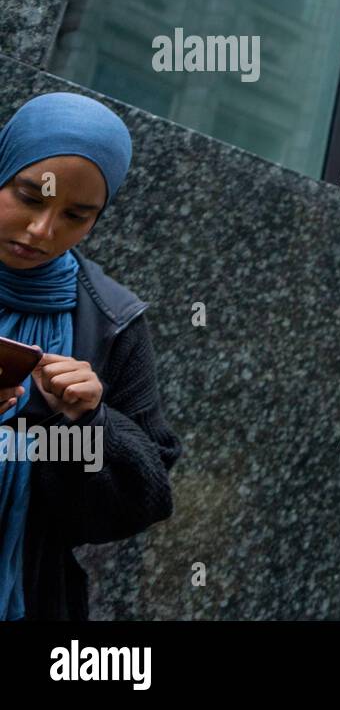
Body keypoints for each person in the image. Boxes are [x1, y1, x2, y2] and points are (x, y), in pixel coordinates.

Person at [0, 91, 181, 621]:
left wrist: (83, 421)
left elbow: (142, 499)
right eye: (29, 198)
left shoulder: (108, 322)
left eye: (76, 216)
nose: (43, 230)